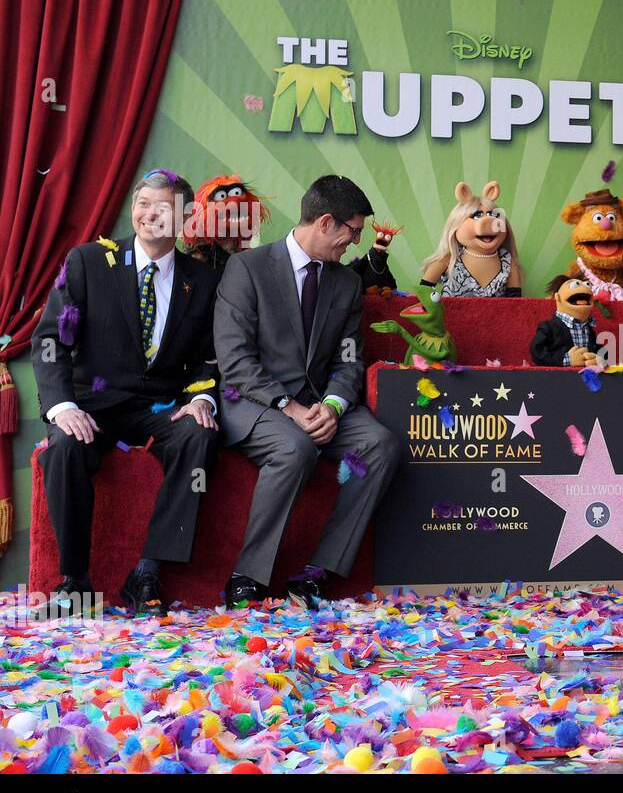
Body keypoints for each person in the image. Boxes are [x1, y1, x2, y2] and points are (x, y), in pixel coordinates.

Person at [32, 169, 222, 617]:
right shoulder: (87, 262)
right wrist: (61, 407)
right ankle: (74, 581)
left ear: (186, 217)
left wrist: (201, 399)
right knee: (62, 447)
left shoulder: (205, 280)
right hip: (93, 403)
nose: (149, 214)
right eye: (142, 203)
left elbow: (211, 358)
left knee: (201, 434)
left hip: (160, 406)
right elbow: (50, 341)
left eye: (162, 206)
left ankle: (147, 570)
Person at [214, 175, 401, 609]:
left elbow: (350, 358)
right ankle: (249, 575)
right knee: (296, 447)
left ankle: (318, 573)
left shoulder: (347, 284)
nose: (355, 243)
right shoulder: (246, 268)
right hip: (256, 401)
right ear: (324, 222)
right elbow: (235, 360)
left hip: (321, 402)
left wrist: (334, 405)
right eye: (352, 232)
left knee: (380, 443)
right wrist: (290, 407)